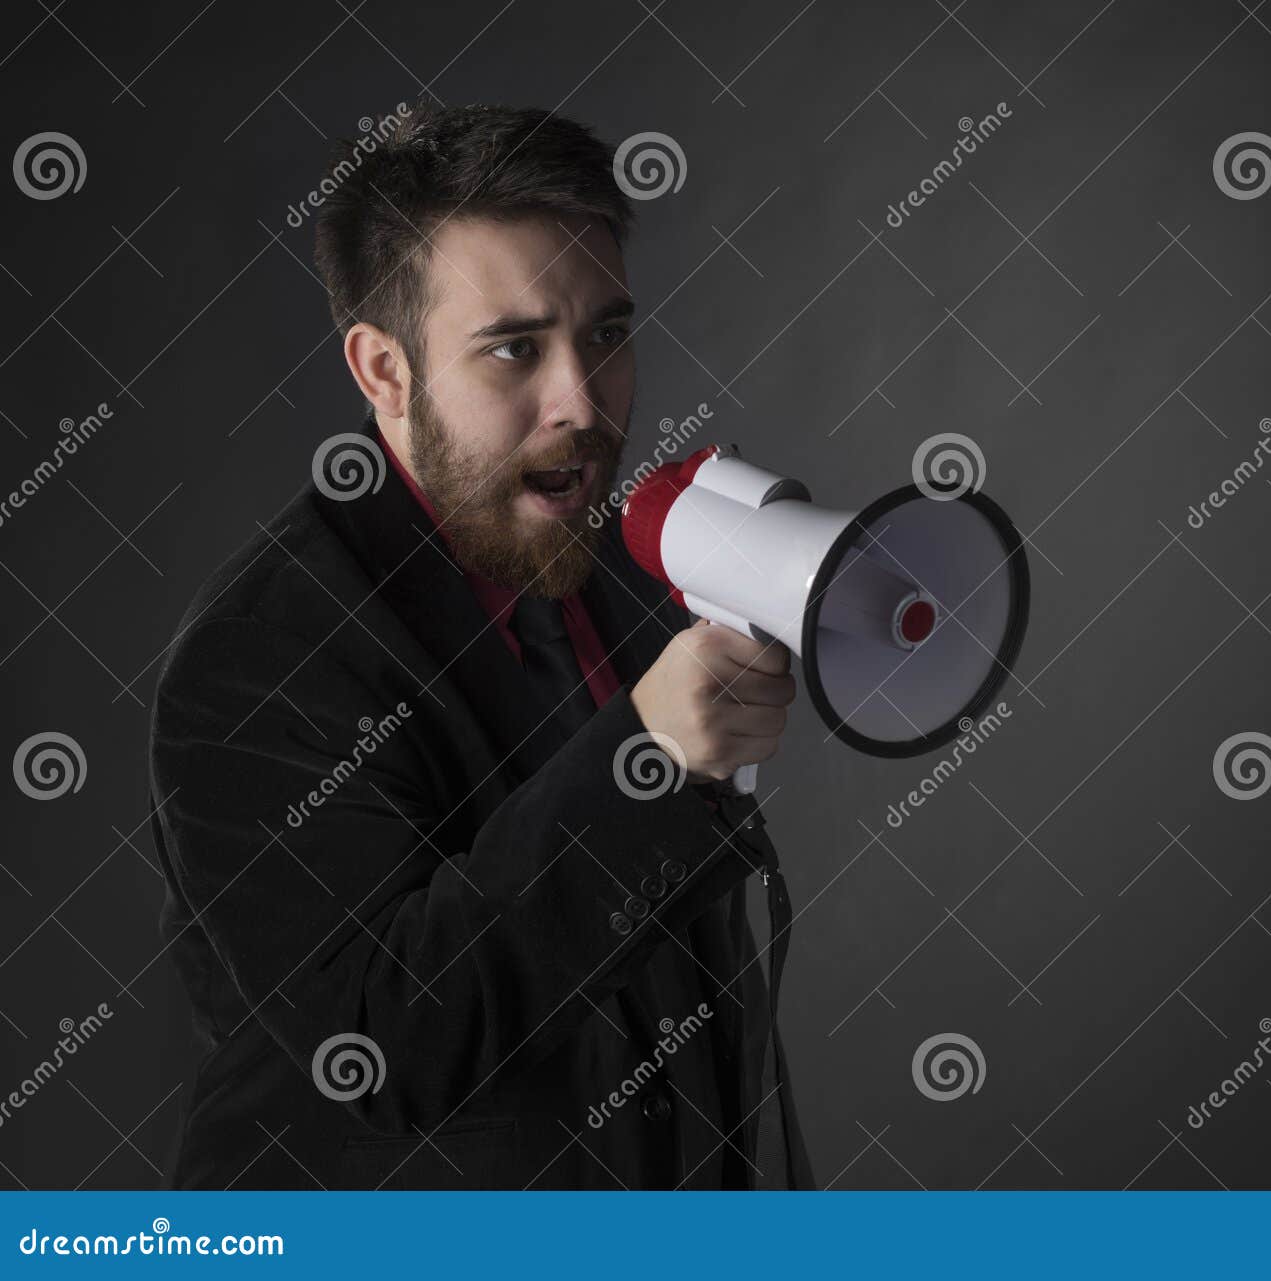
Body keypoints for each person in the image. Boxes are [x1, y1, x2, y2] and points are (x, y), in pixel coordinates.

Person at [147, 102, 809, 1190]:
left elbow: (688, 994)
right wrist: (644, 760)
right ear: (384, 371)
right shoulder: (259, 660)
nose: (582, 402)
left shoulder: (624, 569)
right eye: (514, 348)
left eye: (606, 334)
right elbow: (385, 1043)